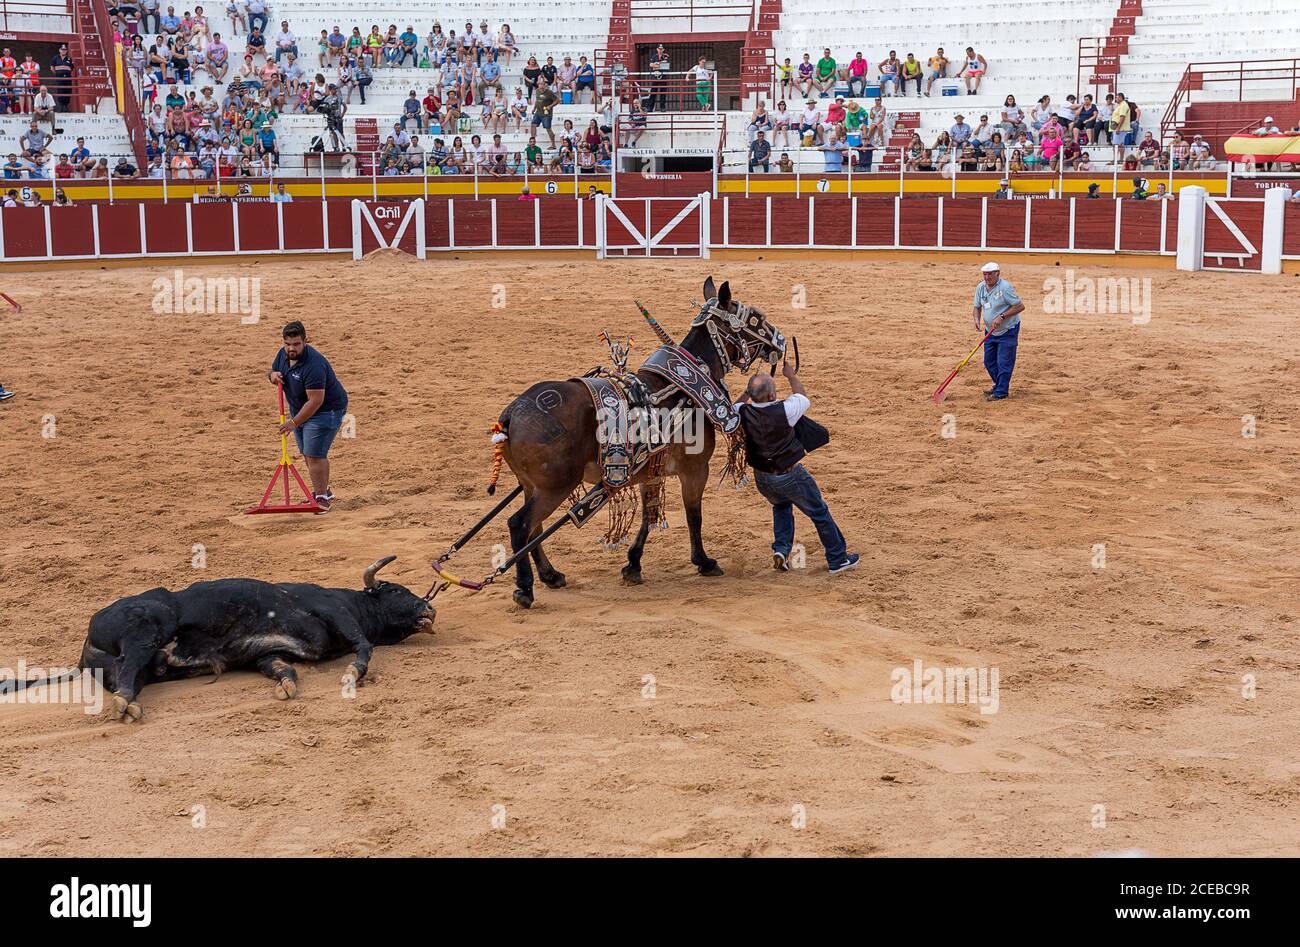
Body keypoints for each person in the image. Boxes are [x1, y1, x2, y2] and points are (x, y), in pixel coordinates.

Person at [736, 360, 859, 575]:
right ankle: (838, 560)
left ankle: (782, 550)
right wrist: (791, 376)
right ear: (773, 396)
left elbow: (733, 406)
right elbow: (802, 397)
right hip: (789, 475)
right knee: (819, 513)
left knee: (781, 506)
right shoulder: (785, 410)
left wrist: (748, 393)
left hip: (762, 479)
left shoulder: (742, 412)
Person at [267, 321, 348, 512]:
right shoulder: (282, 354)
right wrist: (272, 375)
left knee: (315, 454)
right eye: (288, 344)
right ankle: (323, 490)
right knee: (307, 451)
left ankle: (321, 499)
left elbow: (316, 401)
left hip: (326, 411)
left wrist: (293, 423)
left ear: (305, 341)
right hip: (301, 410)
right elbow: (272, 371)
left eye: (296, 344)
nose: (291, 348)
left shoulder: (314, 365)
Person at [973, 262, 1025, 401]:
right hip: (990, 330)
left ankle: (1001, 391)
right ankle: (1000, 384)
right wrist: (977, 319)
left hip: (1008, 330)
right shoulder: (981, 287)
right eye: (985, 274)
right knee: (989, 361)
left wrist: (1002, 316)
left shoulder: (1005, 288)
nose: (987, 277)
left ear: (998, 273)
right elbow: (977, 307)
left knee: (1004, 362)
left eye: (990, 274)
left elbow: (1020, 306)